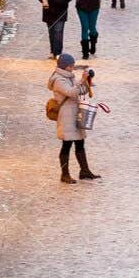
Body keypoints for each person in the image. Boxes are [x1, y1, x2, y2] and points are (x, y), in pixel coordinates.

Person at [47, 52, 101, 184]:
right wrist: (81, 81)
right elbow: (71, 93)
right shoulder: (59, 80)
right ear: (64, 66)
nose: (73, 68)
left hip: (74, 114)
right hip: (66, 116)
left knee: (80, 142)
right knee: (66, 145)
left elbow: (79, 91)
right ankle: (64, 175)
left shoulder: (68, 77)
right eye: (71, 66)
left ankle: (84, 171)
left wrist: (87, 82)